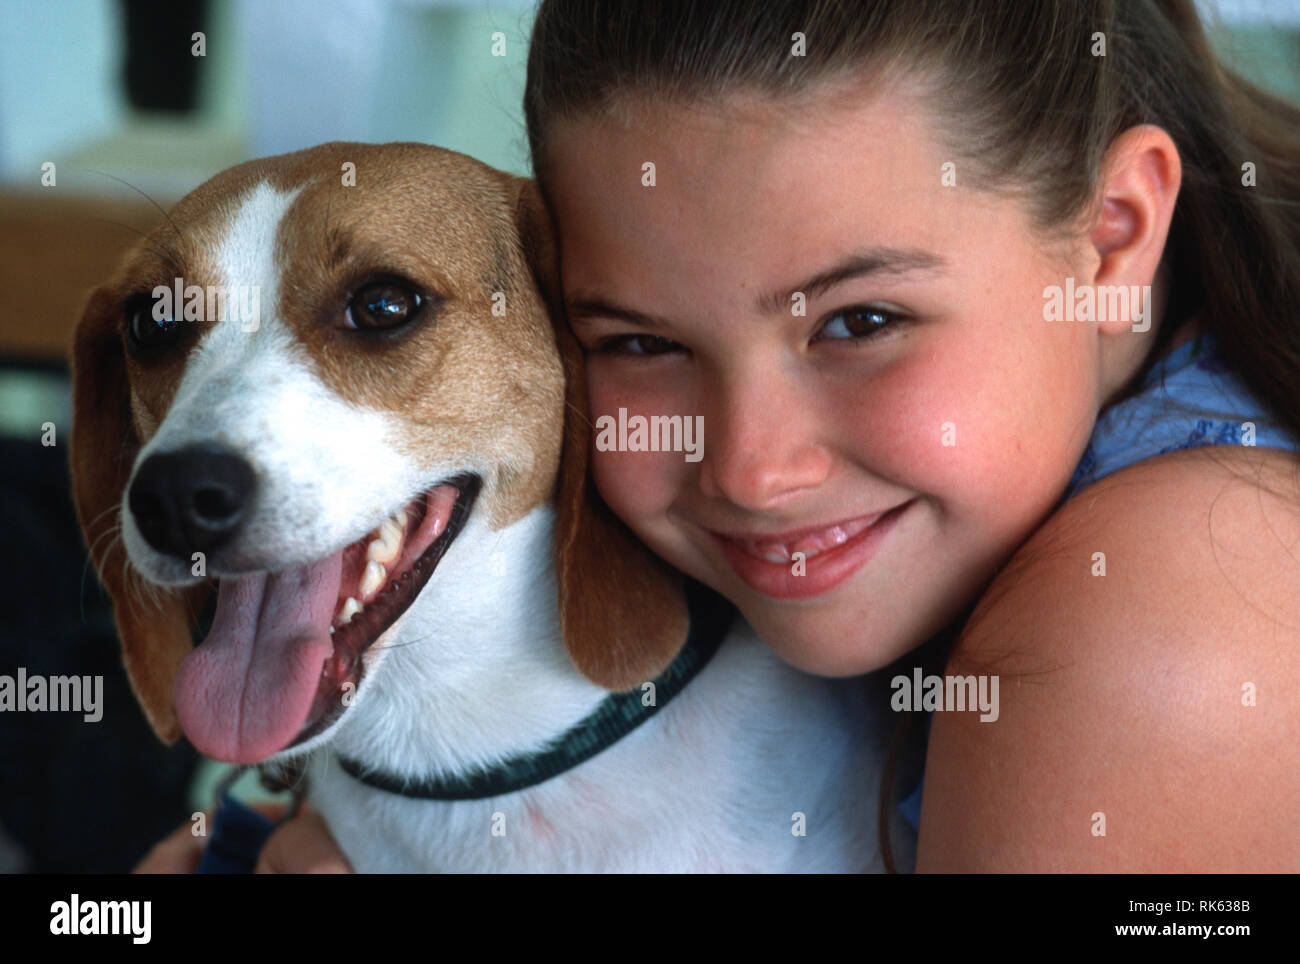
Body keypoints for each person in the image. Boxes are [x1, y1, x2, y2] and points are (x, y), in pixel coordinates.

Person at [139, 0, 1300, 872]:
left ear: (1107, 237)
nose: (749, 469)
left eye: (861, 320)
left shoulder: (1168, 624)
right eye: (641, 341)